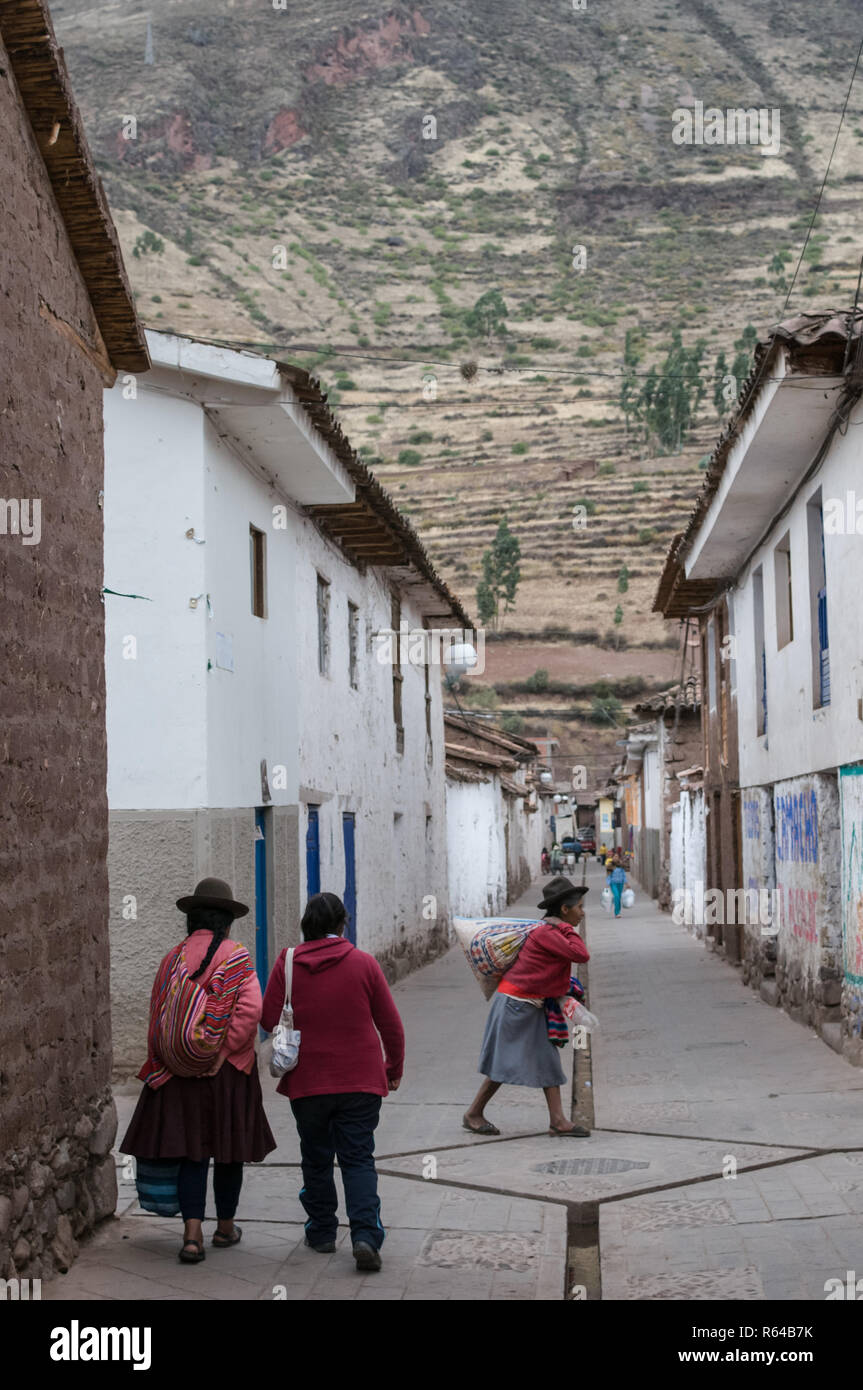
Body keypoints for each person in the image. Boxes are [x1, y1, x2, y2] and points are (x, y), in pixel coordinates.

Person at [121, 877, 276, 1264]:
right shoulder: (236, 956)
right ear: (226, 921)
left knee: (192, 1152)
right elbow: (249, 1012)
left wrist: (172, 1057)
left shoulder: (172, 959)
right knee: (227, 1151)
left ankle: (192, 1236)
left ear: (192, 921)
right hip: (227, 1074)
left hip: (179, 1075)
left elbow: (158, 1015)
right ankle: (225, 1226)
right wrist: (221, 1053)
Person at [261, 892, 404, 1273]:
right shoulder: (364, 964)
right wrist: (394, 1068)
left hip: (308, 1082)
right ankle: (364, 1235)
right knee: (358, 1158)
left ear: (307, 924)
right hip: (360, 1081)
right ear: (343, 924)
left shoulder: (288, 963)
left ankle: (322, 1231)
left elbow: (267, 1017)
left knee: (316, 1156)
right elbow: (390, 1024)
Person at [463, 876, 591, 1138]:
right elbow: (581, 954)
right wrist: (566, 929)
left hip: (530, 1004)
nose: (582, 912)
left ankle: (558, 1120)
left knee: (548, 1060)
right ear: (564, 910)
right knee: (502, 1064)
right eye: (578, 907)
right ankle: (473, 1113)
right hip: (515, 1005)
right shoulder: (547, 933)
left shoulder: (550, 931)